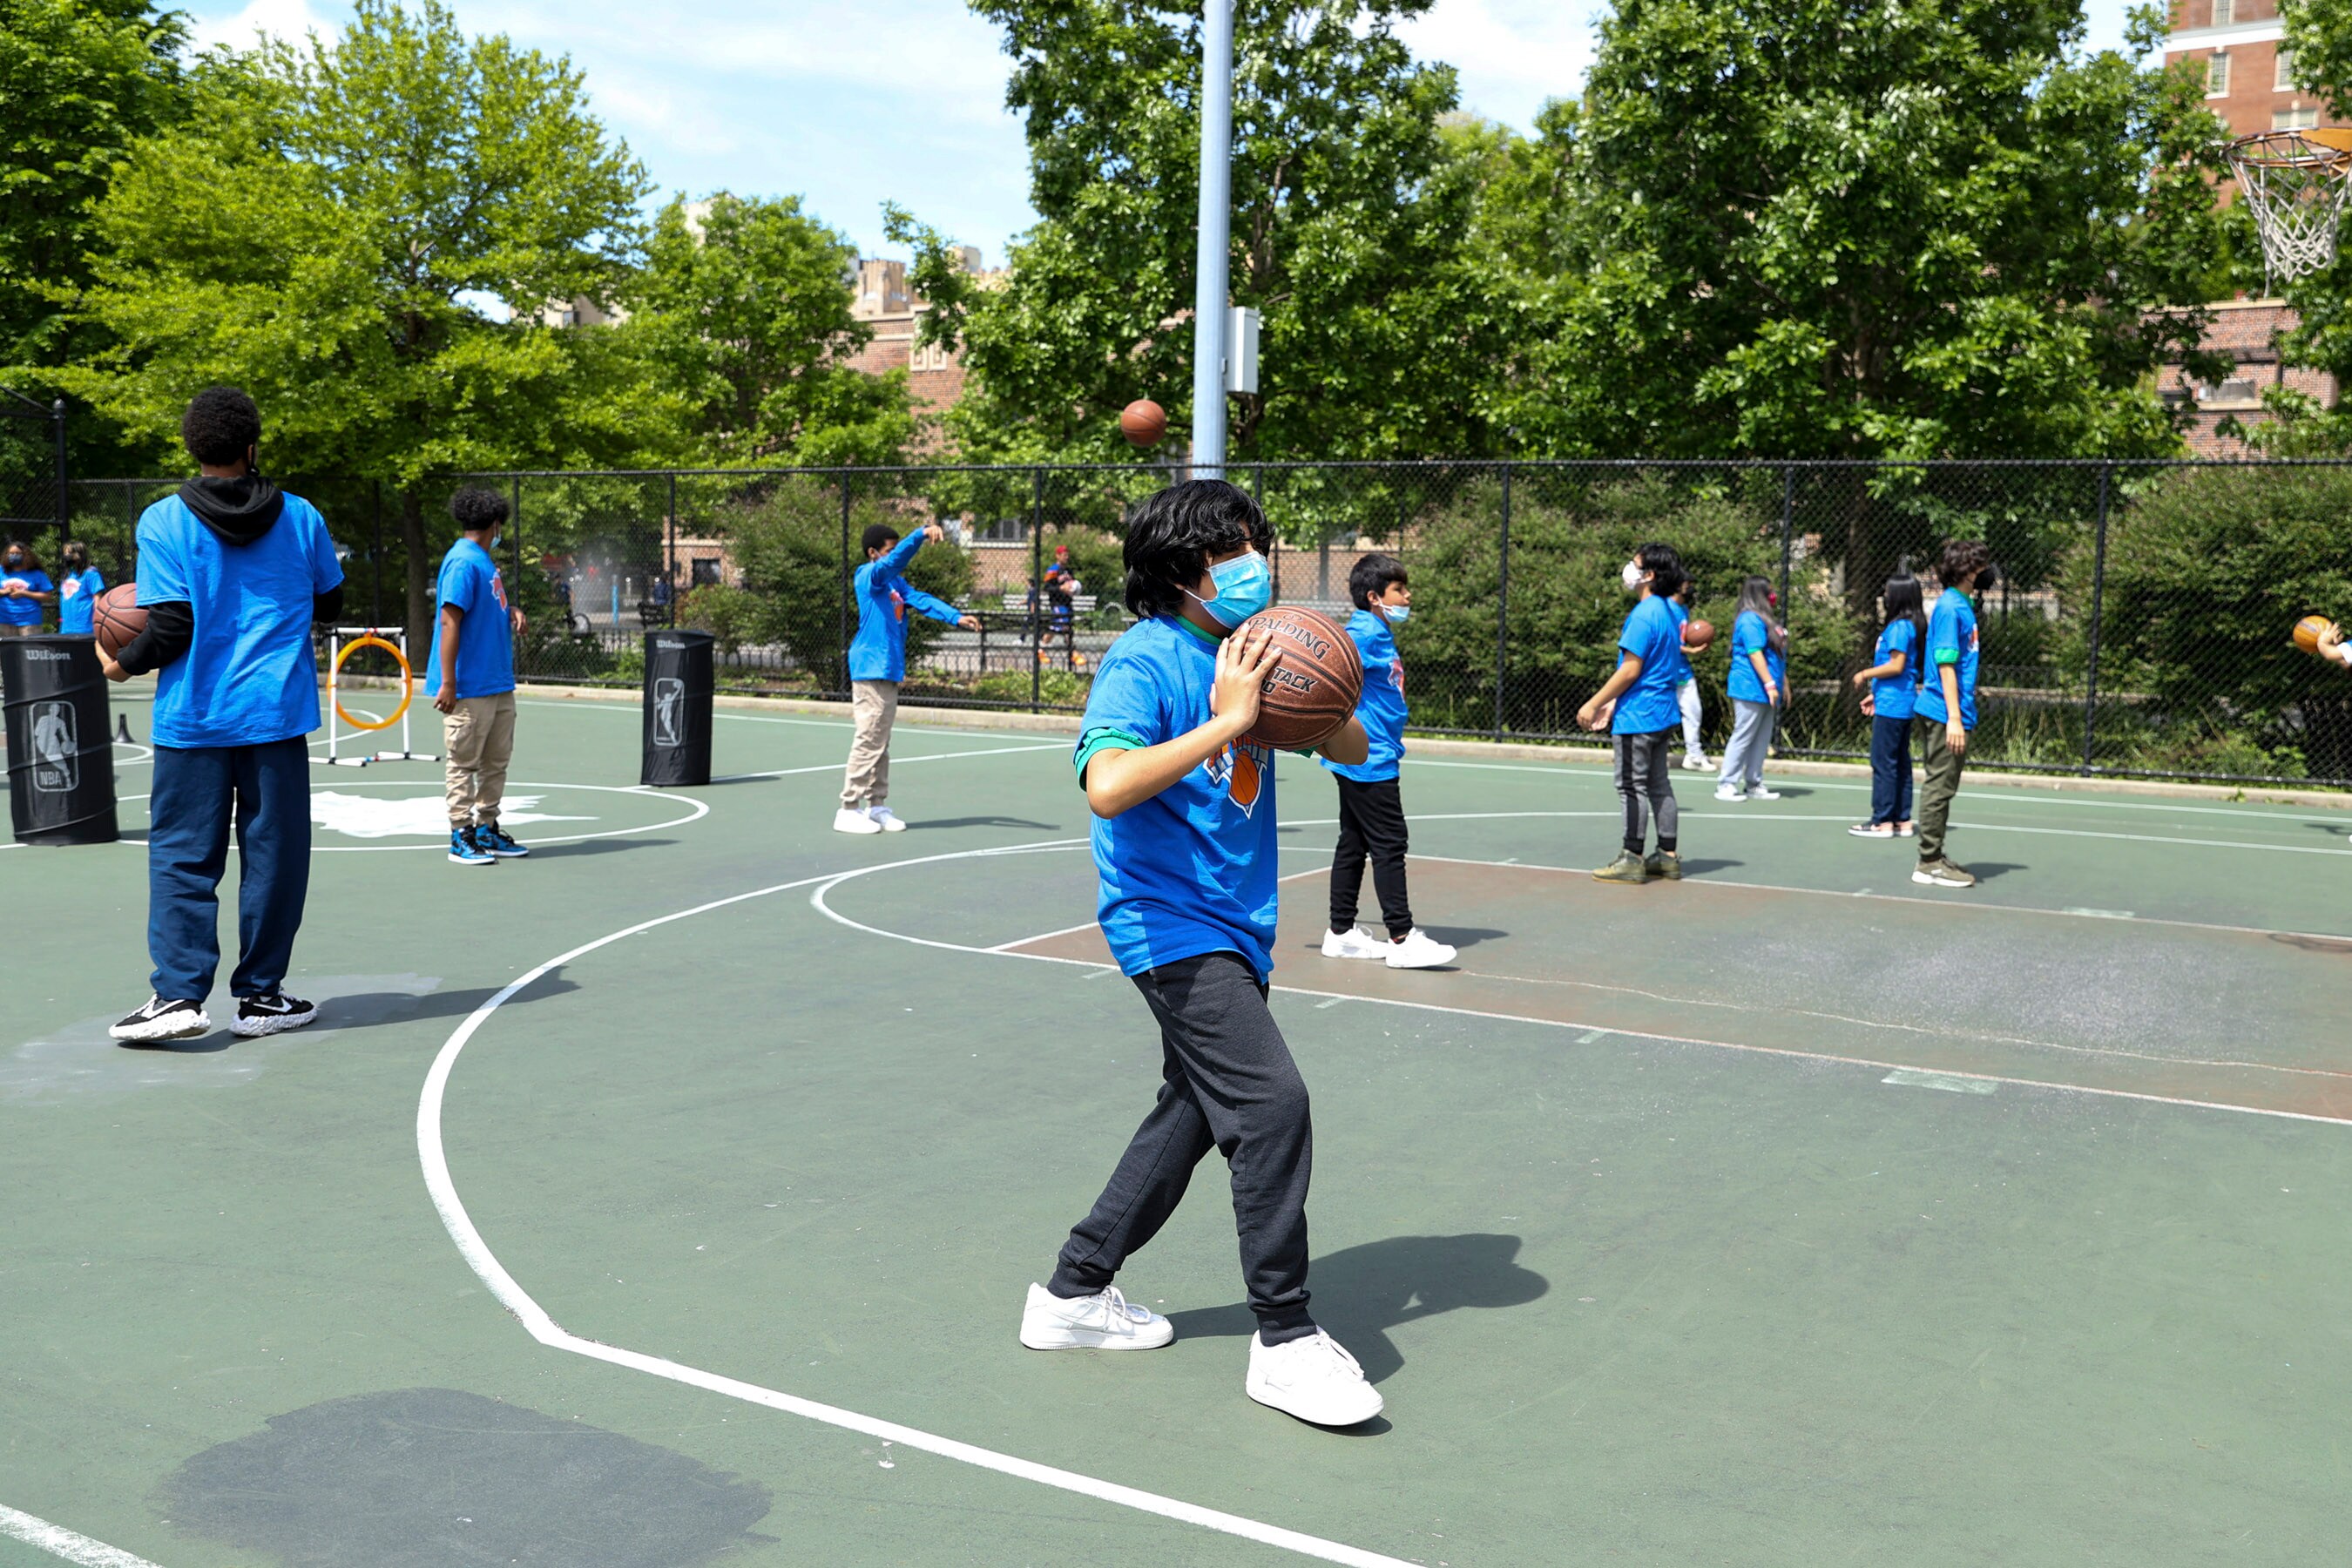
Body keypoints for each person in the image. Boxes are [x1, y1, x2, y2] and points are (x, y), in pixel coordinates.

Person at [1022, 478, 1386, 1429]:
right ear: (1186, 567)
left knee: (1189, 1118)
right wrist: (1227, 721)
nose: (1254, 563)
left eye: (1257, 544)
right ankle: (1286, 1338)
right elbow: (1106, 786)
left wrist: (1310, 691)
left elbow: (1352, 745)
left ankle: (1072, 1294)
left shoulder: (1250, 653)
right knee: (1272, 1104)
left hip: (1236, 926)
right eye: (1237, 549)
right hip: (1167, 923)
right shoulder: (1145, 660)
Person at [100, 387, 342, 1044]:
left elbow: (171, 624)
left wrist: (119, 664)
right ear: (252, 446)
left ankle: (178, 997)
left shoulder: (163, 521)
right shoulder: (301, 516)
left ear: (192, 448)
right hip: (276, 716)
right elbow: (332, 601)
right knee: (275, 859)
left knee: (182, 857)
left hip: (193, 719)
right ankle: (261, 997)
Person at [1319, 552, 1456, 969]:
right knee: (1389, 844)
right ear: (1376, 597)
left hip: (1369, 755)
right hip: (1368, 757)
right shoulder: (1361, 633)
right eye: (1400, 588)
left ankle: (1341, 933)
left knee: (1355, 843)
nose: (1408, 594)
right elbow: (1325, 662)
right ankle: (1401, 936)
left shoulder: (1377, 630)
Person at [835, 520, 980, 834]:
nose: (891, 557)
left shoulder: (895, 586)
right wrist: (919, 535)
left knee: (880, 741)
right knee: (869, 738)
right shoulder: (869, 577)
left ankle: (876, 806)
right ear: (873, 553)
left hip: (887, 668)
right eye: (887, 550)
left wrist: (955, 617)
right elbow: (895, 561)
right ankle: (848, 808)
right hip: (870, 668)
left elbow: (922, 600)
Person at [426, 488, 529, 867]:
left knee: (495, 760)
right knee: (463, 761)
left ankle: (487, 826)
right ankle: (461, 833)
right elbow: (450, 619)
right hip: (470, 685)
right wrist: (449, 682)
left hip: (496, 682)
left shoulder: (483, 562)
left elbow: (483, 609)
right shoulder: (463, 563)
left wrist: (512, 610)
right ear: (495, 524)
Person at [1578, 543, 1687, 882]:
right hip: (1663, 710)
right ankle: (1667, 855)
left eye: (1635, 564)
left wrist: (1594, 702)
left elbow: (1631, 669)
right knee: (1659, 785)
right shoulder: (1670, 612)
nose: (1629, 568)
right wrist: (1613, 702)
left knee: (1631, 786)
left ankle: (1632, 856)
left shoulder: (1643, 615)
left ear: (1649, 575)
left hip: (1639, 715)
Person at [1912, 540, 1991, 889]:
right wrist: (1954, 717)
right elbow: (1945, 663)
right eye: (1981, 565)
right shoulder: (1949, 608)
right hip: (1944, 711)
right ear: (1969, 569)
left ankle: (1935, 855)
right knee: (1939, 787)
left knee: (1945, 786)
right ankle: (1928, 862)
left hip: (1954, 708)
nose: (1986, 572)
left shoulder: (1962, 605)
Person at [1848, 572, 1925, 838]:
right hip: (1896, 701)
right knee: (1899, 762)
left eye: (1889, 592)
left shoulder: (1899, 628)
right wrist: (1876, 695)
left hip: (1894, 705)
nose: (1885, 595)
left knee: (1883, 762)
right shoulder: (1906, 626)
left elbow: (1896, 665)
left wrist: (1864, 674)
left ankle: (1881, 821)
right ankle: (1902, 820)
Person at [1714, 576, 1787, 803]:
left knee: (1761, 738)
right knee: (1744, 734)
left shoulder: (1765, 620)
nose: (1773, 596)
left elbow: (1774, 655)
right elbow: (1755, 654)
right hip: (1750, 687)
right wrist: (1769, 684)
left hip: (1767, 689)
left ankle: (1754, 782)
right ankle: (1726, 783)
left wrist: (1783, 683)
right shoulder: (1749, 620)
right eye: (1770, 592)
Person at [1671, 578, 1709, 771]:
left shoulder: (1684, 609)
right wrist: (1690, 651)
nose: (1690, 588)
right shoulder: (1666, 608)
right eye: (1687, 584)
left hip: (1683, 671)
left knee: (1694, 712)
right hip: (1665, 672)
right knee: (1662, 715)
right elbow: (1667, 642)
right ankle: (1653, 755)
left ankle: (1693, 756)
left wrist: (1699, 637)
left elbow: (1681, 638)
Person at [0, 540, 56, 634]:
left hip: (30, 622)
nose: (14, 556)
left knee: (29, 649)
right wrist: (5, 591)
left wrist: (23, 593)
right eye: (11, 553)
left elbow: (47, 596)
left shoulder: (37, 573)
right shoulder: (1, 571)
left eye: (17, 553)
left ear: (25, 555)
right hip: (4, 620)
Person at [55, 542, 105, 637]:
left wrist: (98, 621)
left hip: (85, 627)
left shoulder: (91, 574)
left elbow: (97, 599)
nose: (67, 556)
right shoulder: (68, 575)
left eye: (70, 553)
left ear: (80, 554)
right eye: (65, 553)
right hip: (66, 627)